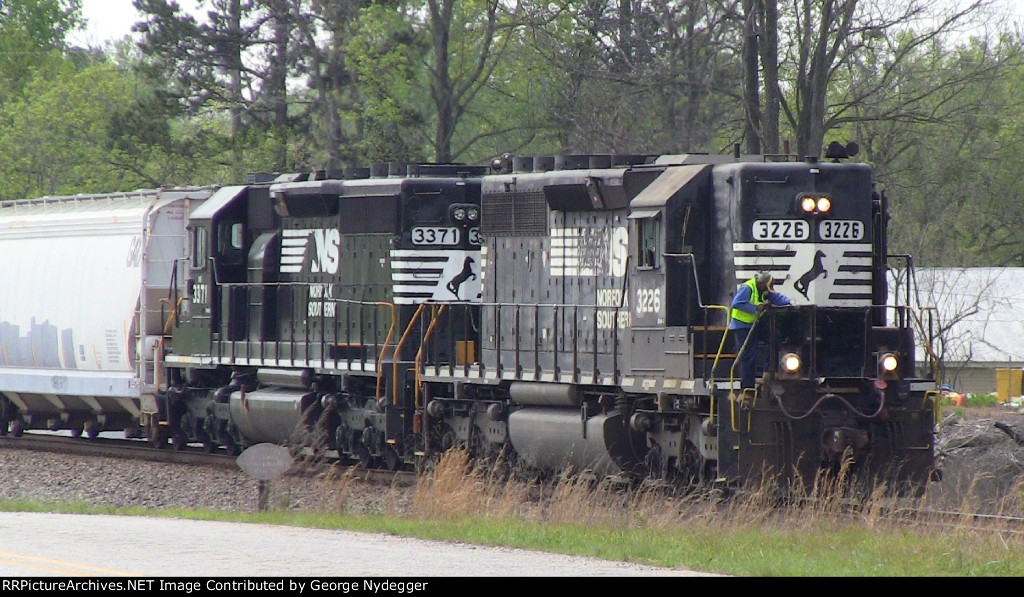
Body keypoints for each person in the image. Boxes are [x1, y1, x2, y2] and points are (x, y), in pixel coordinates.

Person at [729, 272, 793, 390]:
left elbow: (775, 297)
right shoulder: (747, 288)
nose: (768, 291)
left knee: (775, 337)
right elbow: (736, 303)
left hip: (755, 322)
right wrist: (756, 308)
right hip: (742, 325)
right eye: (767, 287)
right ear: (762, 283)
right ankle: (747, 388)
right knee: (749, 355)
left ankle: (769, 371)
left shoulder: (763, 289)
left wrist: (790, 301)